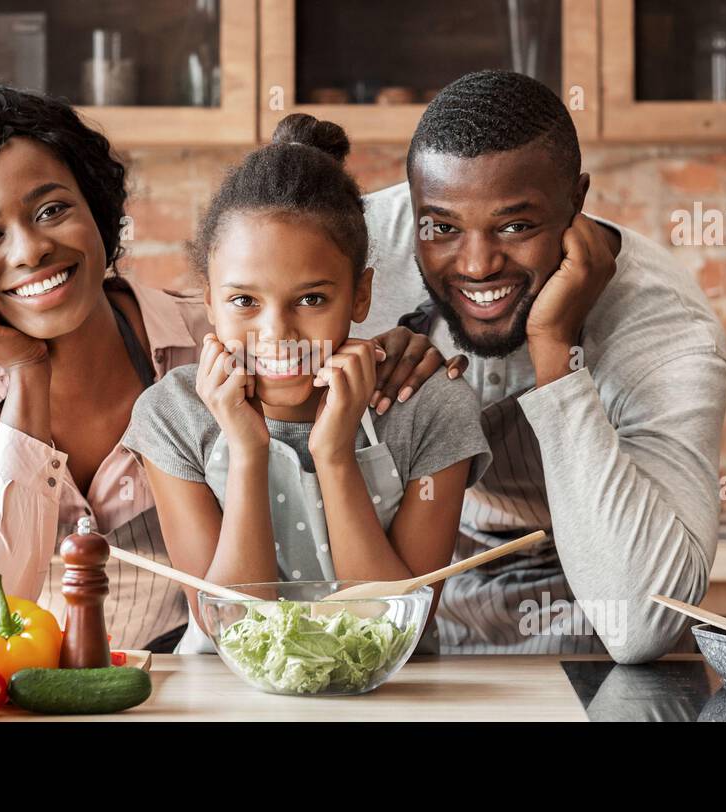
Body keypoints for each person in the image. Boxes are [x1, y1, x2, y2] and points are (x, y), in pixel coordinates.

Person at [0, 80, 462, 651]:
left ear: (96, 209)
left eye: (52, 210)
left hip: (158, 695)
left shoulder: (209, 344)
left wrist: (401, 341)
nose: (32, 249)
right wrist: (28, 380)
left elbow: (322, 284)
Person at [358, 70, 726, 663]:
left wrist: (555, 350)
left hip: (591, 629)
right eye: (443, 228)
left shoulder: (666, 331)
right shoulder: (357, 252)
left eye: (515, 225)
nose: (478, 265)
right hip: (398, 610)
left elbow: (641, 625)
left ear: (576, 202)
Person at [120, 114, 491, 653]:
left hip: (391, 702)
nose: (277, 333)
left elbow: (391, 626)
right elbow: (228, 626)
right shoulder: (173, 415)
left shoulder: (427, 407)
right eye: (244, 301)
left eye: (312, 299)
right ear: (208, 300)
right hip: (226, 702)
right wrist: (248, 450)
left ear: (360, 295)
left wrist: (336, 455)